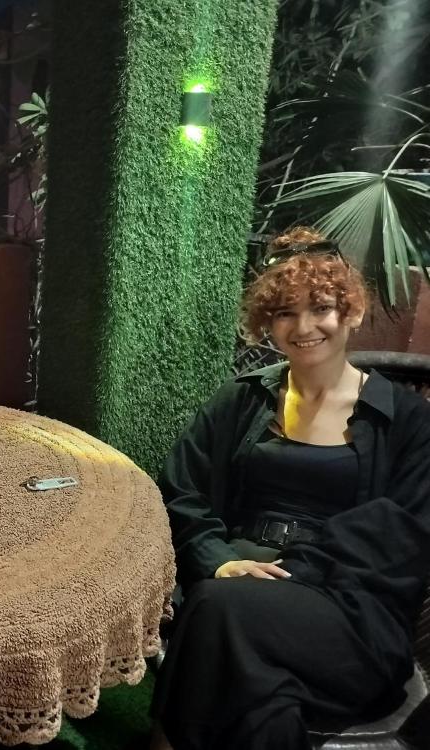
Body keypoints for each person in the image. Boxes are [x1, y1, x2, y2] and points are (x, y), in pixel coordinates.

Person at [150, 227, 430, 750]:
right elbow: (179, 490)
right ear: (268, 322)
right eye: (284, 312)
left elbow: (403, 533)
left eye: (320, 308)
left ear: (351, 312)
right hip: (238, 584)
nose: (303, 327)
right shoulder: (240, 401)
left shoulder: (409, 421)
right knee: (262, 702)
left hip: (348, 609)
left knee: (215, 609)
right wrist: (218, 560)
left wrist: (296, 570)